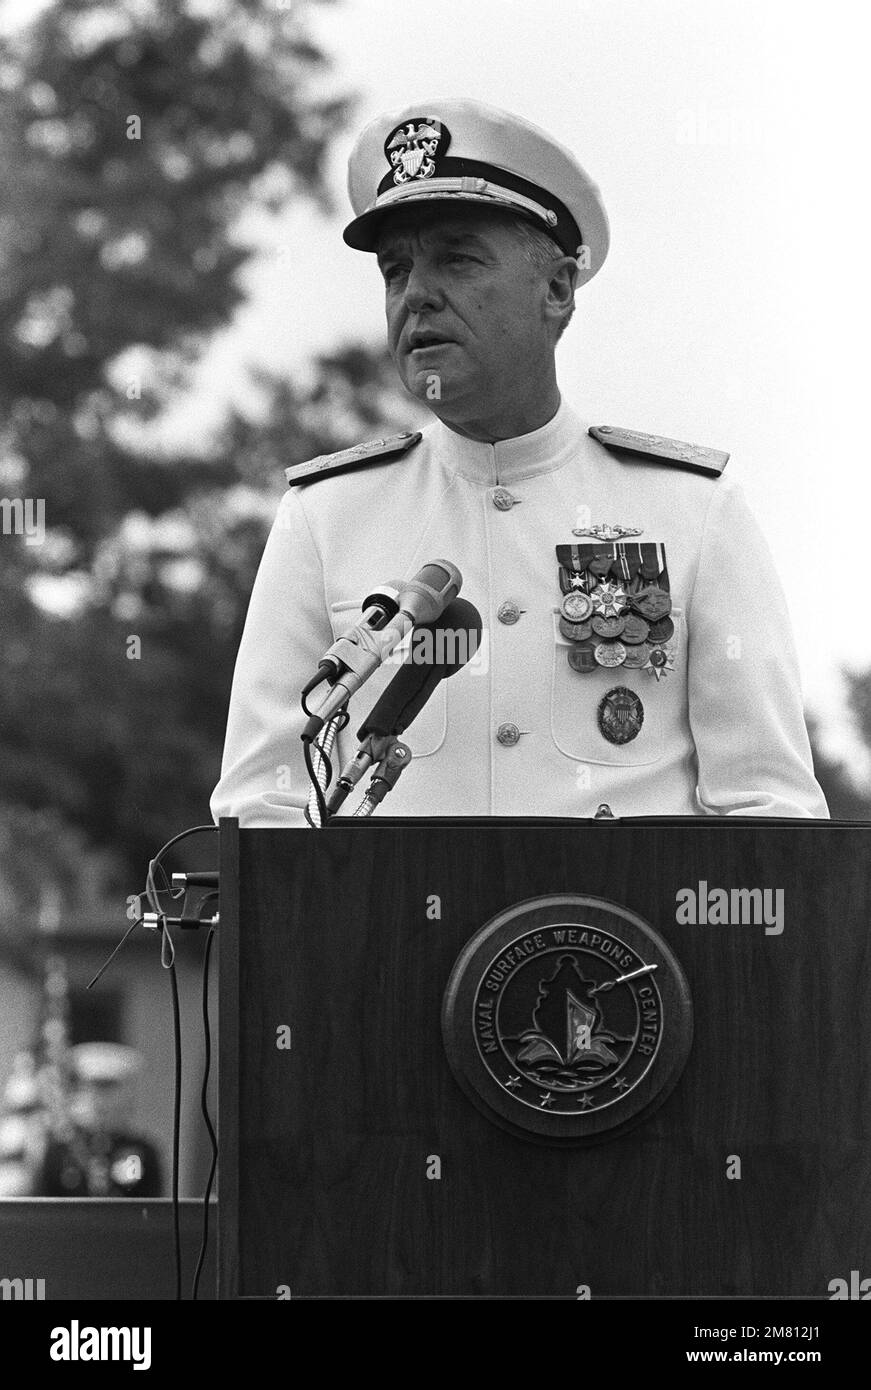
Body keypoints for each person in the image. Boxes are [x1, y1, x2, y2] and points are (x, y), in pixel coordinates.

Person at [210, 98, 828, 824]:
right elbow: (263, 805)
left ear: (557, 290)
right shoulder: (324, 516)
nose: (417, 294)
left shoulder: (694, 508)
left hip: (629, 937)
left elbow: (766, 808)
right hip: (390, 937)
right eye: (395, 269)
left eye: (458, 258)